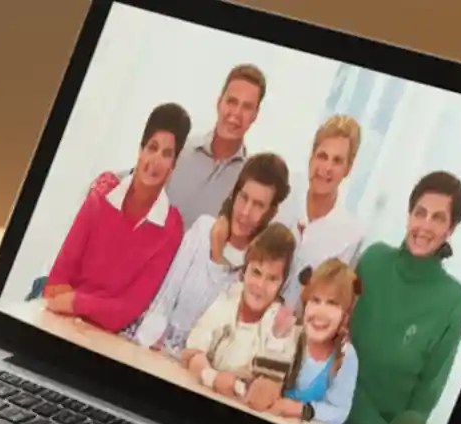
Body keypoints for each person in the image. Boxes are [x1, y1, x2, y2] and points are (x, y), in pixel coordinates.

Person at [344, 171, 461, 424]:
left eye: (438, 218)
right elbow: (336, 339)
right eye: (420, 213)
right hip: (339, 408)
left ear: (450, 229)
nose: (425, 225)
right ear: (409, 215)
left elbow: (428, 390)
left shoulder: (454, 299)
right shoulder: (374, 260)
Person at [42, 103, 192, 333]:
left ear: (174, 165)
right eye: (152, 147)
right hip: (56, 322)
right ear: (140, 150)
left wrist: (75, 301)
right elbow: (55, 285)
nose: (155, 161)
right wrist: (98, 307)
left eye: (167, 154)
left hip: (105, 340)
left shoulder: (171, 227)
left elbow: (127, 311)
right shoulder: (103, 193)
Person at [125, 152, 292, 356]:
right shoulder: (203, 230)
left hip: (196, 366)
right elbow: (164, 301)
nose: (246, 212)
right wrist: (146, 344)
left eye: (258, 205)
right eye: (244, 198)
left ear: (271, 213)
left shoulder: (256, 270)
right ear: (234, 194)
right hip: (152, 345)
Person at [181, 224, 298, 400]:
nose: (260, 286)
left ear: (282, 284)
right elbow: (192, 353)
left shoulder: (282, 327)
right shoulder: (228, 298)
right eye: (256, 272)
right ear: (245, 270)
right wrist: (213, 378)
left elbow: (266, 392)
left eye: (272, 279)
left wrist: (236, 387)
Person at [248, 259, 362, 424]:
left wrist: (300, 409)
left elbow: (338, 412)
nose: (320, 312)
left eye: (332, 304)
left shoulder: (346, 356)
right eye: (315, 300)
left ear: (345, 315)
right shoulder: (288, 334)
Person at [270, 114, 367, 310]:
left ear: (348, 168)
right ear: (311, 156)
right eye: (322, 156)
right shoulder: (283, 193)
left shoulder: (350, 236)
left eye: (337, 161)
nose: (327, 168)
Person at [162, 64, 266, 230]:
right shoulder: (180, 149)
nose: (236, 114)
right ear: (219, 103)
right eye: (232, 102)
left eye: (246, 107)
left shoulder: (247, 182)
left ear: (255, 115)